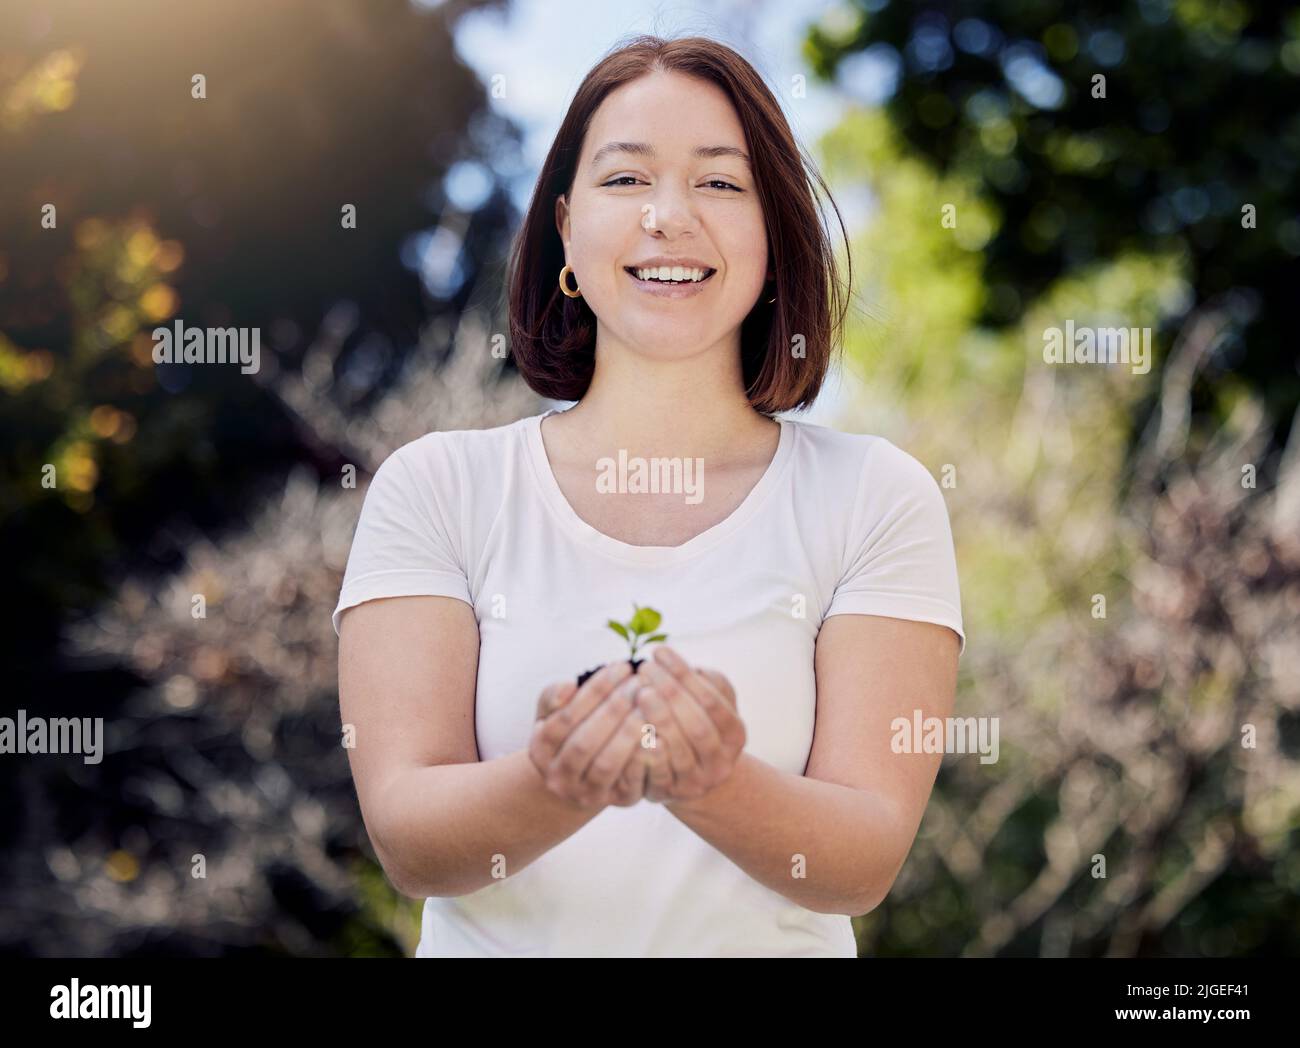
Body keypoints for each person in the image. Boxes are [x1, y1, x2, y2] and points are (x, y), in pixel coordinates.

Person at [333, 34, 965, 957]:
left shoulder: (873, 498)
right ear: (564, 229)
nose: (668, 217)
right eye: (626, 180)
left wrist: (707, 780)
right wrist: (561, 780)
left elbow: (862, 861)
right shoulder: (437, 490)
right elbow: (409, 840)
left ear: (774, 233)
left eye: (720, 183)